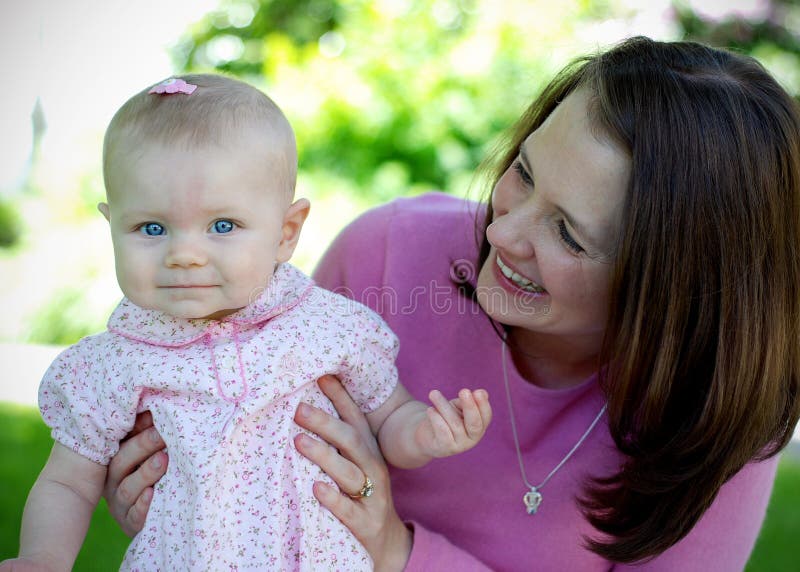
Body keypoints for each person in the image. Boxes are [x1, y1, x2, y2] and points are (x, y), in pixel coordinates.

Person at [105, 36, 799, 571]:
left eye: (568, 233)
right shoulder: (385, 257)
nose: (501, 234)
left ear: (671, 288)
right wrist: (176, 501)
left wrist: (397, 551)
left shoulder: (722, 412)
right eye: (524, 173)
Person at [1, 74, 493, 572]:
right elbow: (68, 480)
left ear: (285, 233)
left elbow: (389, 419)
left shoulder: (328, 328)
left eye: (222, 226)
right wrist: (44, 558)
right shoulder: (115, 362)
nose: (185, 254)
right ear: (111, 226)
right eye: (151, 227)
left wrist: (425, 434)